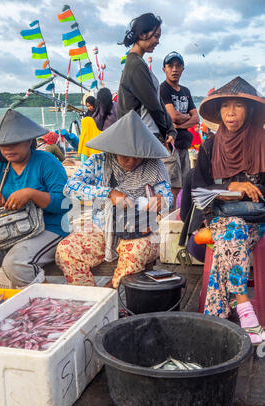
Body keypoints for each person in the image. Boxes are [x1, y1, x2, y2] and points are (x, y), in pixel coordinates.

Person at [55, 110, 173, 289]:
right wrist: (108, 193)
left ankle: (111, 292)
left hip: (141, 230)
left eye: (137, 155)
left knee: (135, 251)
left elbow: (167, 196)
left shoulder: (154, 165)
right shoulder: (99, 161)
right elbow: (70, 187)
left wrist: (160, 200)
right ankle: (90, 298)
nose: (131, 160)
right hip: (103, 228)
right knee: (66, 251)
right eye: (125, 155)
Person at [192, 76, 265, 344]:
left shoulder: (262, 141)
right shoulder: (210, 145)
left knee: (230, 238)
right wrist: (232, 187)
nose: (231, 113)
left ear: (250, 110)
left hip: (257, 220)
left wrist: (251, 189)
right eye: (225, 106)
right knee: (231, 230)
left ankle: (216, 321)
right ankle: (244, 307)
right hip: (221, 218)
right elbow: (198, 190)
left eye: (238, 106)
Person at [0, 109, 71, 288]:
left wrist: (32, 194)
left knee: (16, 264)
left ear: (29, 141)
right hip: (5, 230)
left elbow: (64, 202)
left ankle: (44, 302)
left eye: (14, 143)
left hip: (48, 229)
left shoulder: (47, 162)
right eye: (3, 144)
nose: (8, 148)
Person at [116, 13, 176, 148]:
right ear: (143, 34)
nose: (158, 41)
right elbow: (153, 105)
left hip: (147, 136)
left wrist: (171, 129)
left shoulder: (139, 63)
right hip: (141, 138)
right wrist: (165, 133)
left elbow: (158, 101)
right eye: (156, 36)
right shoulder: (135, 64)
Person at [160, 51, 200, 209]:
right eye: (170, 65)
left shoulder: (185, 91)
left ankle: (179, 215)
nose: (174, 69)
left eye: (178, 66)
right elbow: (172, 116)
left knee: (184, 183)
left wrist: (179, 124)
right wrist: (184, 119)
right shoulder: (163, 89)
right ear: (164, 69)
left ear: (183, 69)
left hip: (184, 143)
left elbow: (197, 118)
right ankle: (170, 215)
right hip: (170, 144)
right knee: (172, 184)